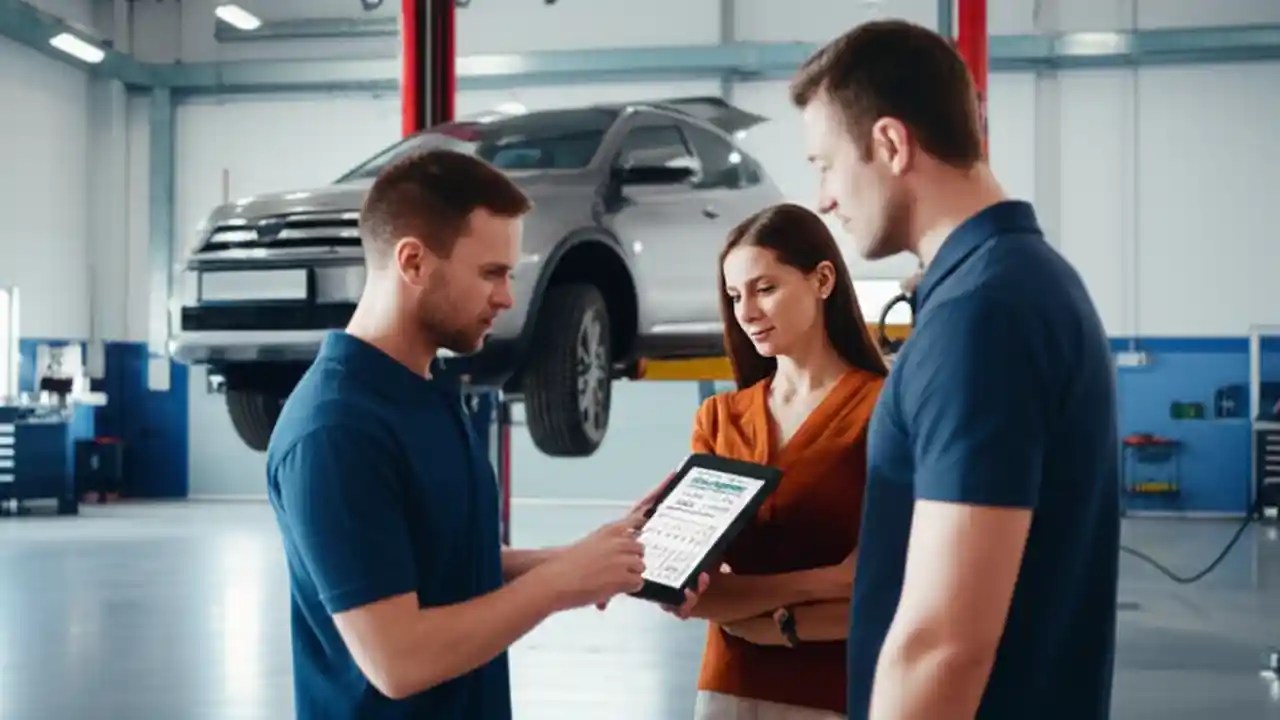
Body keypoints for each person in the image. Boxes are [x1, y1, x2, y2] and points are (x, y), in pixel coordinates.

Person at [789, 19, 1120, 720]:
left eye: (823, 165)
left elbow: (945, 641)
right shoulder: (1025, 282)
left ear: (889, 143)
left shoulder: (981, 317)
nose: (822, 198)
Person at [265, 149, 648, 720]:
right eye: (491, 273)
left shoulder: (428, 392)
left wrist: (584, 558)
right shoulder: (336, 430)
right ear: (414, 263)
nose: (508, 297)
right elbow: (400, 660)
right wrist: (559, 584)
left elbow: (452, 561)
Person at [668, 202, 889, 719]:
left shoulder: (884, 410)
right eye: (735, 295)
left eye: (765, 288)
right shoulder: (720, 419)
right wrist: (824, 583)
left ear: (823, 280)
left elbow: (885, 590)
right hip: (728, 691)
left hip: (839, 694)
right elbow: (694, 590)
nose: (746, 312)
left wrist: (767, 621)